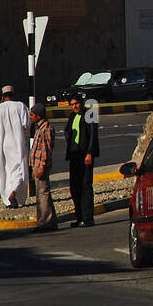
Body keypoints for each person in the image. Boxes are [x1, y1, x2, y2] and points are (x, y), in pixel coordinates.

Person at [0, 85, 31, 209]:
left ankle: (8, 197)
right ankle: (14, 193)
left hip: (3, 146)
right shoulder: (20, 106)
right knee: (19, 170)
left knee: (6, 171)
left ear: (2, 96)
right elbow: (26, 123)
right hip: (17, 144)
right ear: (13, 94)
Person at [64, 92, 100, 228]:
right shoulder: (72, 116)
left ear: (82, 102)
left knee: (86, 186)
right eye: (72, 104)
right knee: (75, 187)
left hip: (85, 155)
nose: (74, 106)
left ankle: (88, 218)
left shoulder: (90, 114)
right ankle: (79, 217)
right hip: (74, 155)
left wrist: (90, 152)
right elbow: (67, 131)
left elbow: (92, 135)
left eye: (76, 103)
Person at [29, 105, 58, 232]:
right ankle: (51, 221)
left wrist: (41, 168)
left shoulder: (46, 129)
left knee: (42, 194)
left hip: (42, 166)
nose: (30, 117)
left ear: (38, 116)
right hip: (37, 165)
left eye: (32, 115)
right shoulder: (40, 128)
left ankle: (44, 222)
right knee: (43, 193)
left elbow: (45, 151)